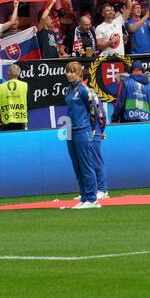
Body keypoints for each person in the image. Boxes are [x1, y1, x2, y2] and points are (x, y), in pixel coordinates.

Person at [62, 60, 100, 208]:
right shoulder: (69, 90)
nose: (69, 74)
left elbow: (94, 109)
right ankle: (84, 197)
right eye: (67, 71)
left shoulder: (84, 90)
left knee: (86, 165)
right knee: (77, 166)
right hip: (71, 131)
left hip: (82, 130)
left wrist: (92, 128)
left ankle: (92, 198)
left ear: (79, 73)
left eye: (72, 71)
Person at [113, 61, 150, 125]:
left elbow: (120, 102)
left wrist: (114, 119)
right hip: (144, 122)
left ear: (131, 71)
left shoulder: (125, 82)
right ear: (142, 71)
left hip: (127, 123)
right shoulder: (149, 85)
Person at [0, 62, 29, 131]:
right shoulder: (25, 86)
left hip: (5, 123)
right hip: (21, 122)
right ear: (19, 74)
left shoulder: (0, 87)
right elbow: (29, 103)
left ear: (8, 73)